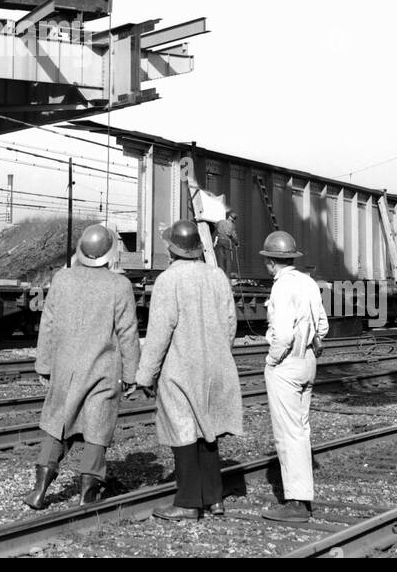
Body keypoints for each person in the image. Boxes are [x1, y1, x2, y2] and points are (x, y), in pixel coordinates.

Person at [23, 222, 140, 509]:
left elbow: (47, 325)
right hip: (103, 369)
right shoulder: (120, 285)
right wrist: (132, 373)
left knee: (57, 424)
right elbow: (127, 333)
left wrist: (44, 365)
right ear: (110, 252)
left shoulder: (62, 279)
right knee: (97, 429)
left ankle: (39, 490)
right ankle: (88, 494)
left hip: (65, 368)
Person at [135, 219, 243, 521]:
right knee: (208, 430)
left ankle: (187, 502)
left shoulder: (169, 280)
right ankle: (214, 498)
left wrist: (145, 374)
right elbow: (230, 322)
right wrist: (221, 352)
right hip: (215, 363)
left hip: (180, 366)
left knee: (182, 429)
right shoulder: (217, 275)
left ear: (172, 250)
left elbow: (159, 332)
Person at [260, 230, 329, 523]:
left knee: (286, 434)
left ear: (271, 262)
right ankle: (303, 497)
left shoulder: (281, 287)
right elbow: (323, 326)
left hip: (287, 364)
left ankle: (296, 503)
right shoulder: (308, 282)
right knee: (301, 429)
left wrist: (272, 359)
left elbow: (284, 334)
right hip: (308, 361)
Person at [214, 210, 239, 276]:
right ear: (234, 220)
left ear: (229, 216)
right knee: (228, 259)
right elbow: (234, 236)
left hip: (219, 241)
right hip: (227, 242)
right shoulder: (232, 225)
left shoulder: (221, 221)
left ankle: (221, 274)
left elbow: (215, 225)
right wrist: (236, 243)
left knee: (220, 258)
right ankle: (227, 275)